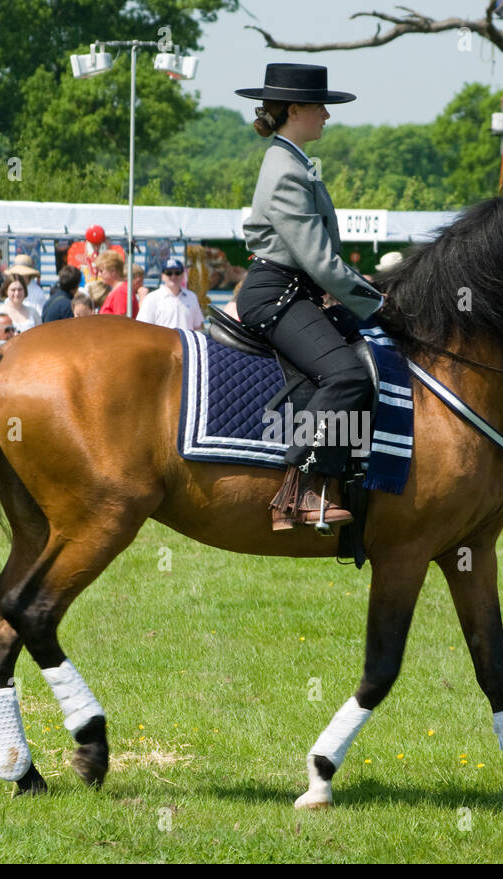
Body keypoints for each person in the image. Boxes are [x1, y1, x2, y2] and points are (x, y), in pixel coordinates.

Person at [234, 64, 384, 530]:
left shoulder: (295, 161)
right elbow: (320, 261)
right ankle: (295, 493)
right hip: (276, 293)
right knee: (346, 376)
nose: (327, 115)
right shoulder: (285, 170)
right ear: (295, 110)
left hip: (294, 291)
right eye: (320, 106)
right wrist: (377, 303)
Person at [136, 258, 202, 331]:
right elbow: (143, 328)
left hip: (186, 342)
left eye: (177, 272)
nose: (173, 276)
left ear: (183, 275)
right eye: (169, 273)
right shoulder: (152, 298)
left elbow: (197, 327)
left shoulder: (192, 297)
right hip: (161, 342)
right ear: (163, 276)